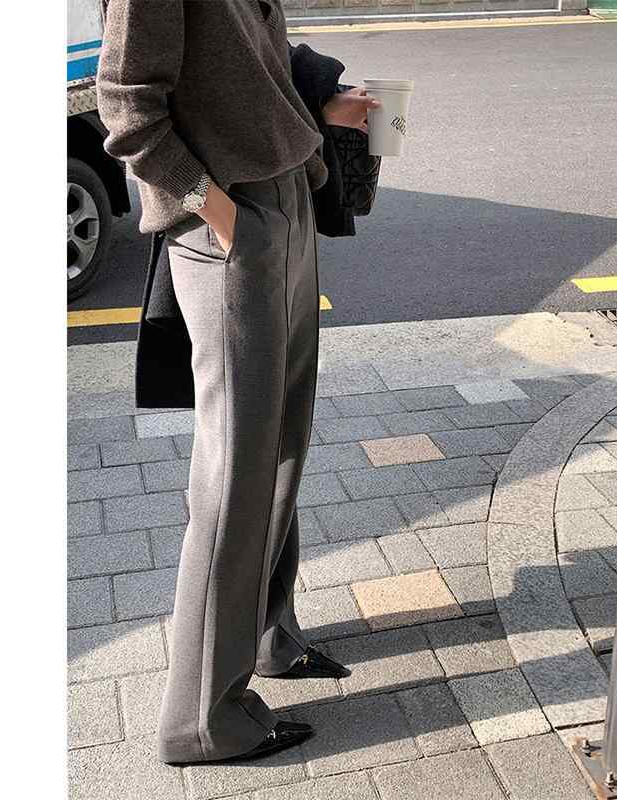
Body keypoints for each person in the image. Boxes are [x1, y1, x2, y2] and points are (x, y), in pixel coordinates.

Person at [96, 0, 379, 766]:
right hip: (231, 222)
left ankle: (265, 636)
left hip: (284, 199)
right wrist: (215, 209)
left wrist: (322, 98)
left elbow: (250, 54)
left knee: (282, 443)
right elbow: (126, 107)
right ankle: (201, 721)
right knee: (235, 470)